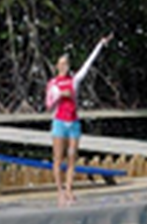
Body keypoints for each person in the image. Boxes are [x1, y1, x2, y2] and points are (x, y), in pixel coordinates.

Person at [45, 35, 112, 205]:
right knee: (58, 158)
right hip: (59, 123)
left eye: (66, 64)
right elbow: (48, 105)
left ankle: (69, 189)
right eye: (61, 64)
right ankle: (59, 191)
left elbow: (88, 64)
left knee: (72, 157)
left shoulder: (74, 80)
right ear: (57, 66)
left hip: (74, 123)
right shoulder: (53, 84)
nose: (64, 66)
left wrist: (100, 44)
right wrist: (60, 95)